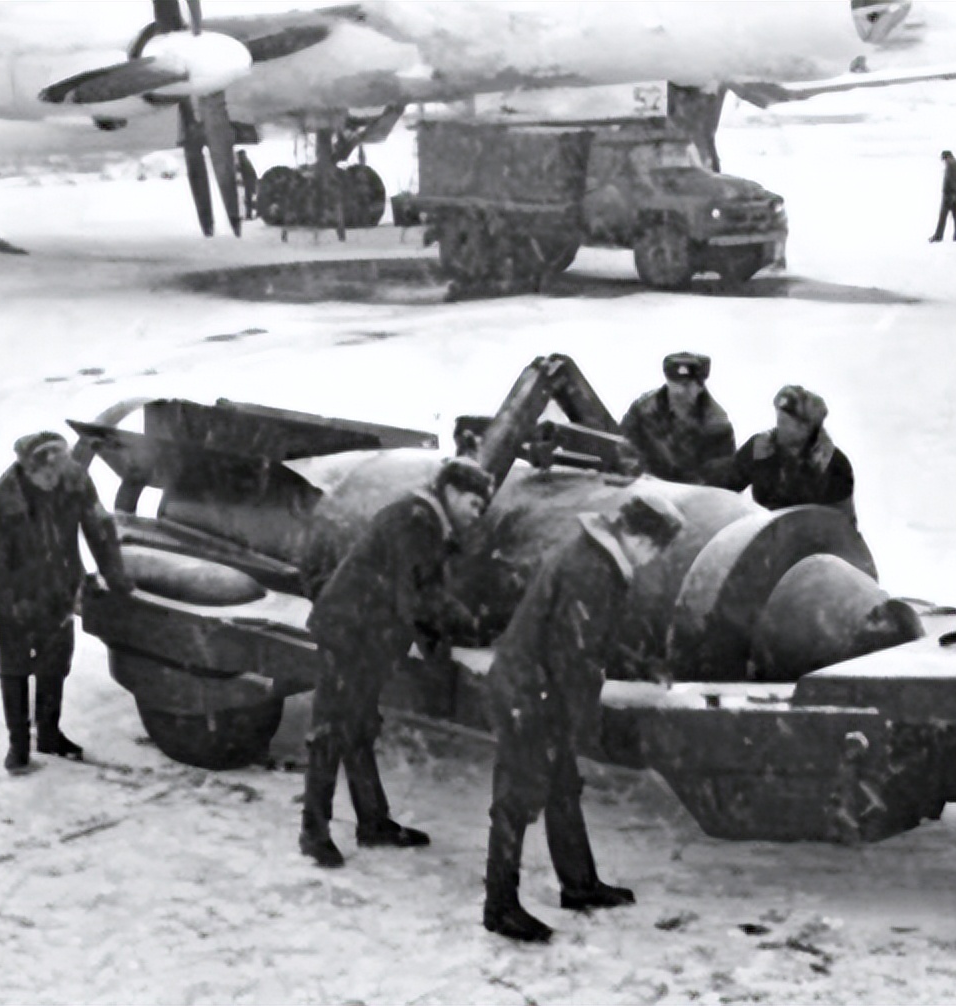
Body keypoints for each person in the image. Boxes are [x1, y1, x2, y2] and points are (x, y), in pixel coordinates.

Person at [482, 489, 685, 943]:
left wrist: (636, 664)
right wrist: (583, 721)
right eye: (653, 547)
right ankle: (500, 906)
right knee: (517, 801)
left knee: (562, 791)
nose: (651, 559)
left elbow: (593, 637)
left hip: (536, 689)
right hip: (530, 695)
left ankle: (579, 885)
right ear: (634, 535)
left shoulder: (598, 561)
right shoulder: (591, 569)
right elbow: (575, 656)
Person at [300, 457, 494, 868]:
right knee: (331, 733)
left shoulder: (423, 519)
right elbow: (416, 596)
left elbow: (421, 589)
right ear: (454, 493)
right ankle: (313, 832)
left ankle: (372, 823)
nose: (475, 515)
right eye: (474, 504)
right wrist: (458, 630)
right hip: (350, 633)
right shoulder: (416, 521)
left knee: (357, 729)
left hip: (366, 636)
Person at [0, 431, 134, 774]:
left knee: (55, 664)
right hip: (16, 595)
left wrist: (115, 578)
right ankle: (18, 746)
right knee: (15, 668)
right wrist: (8, 608)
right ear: (27, 471)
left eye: (56, 473)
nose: (51, 480)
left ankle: (48, 733)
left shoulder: (74, 481)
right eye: (44, 475)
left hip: (61, 588)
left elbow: (99, 529)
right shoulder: (2, 501)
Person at [721, 385, 856, 522]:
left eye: (788, 421)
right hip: (764, 531)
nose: (780, 423)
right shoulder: (759, 448)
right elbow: (725, 490)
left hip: (812, 536)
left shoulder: (833, 465)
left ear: (807, 428)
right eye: (779, 417)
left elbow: (843, 524)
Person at [619, 352, 737, 486]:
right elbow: (623, 445)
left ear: (700, 386)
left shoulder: (717, 424)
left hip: (689, 496)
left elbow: (718, 477)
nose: (679, 391)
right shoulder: (643, 408)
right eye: (675, 383)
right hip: (643, 487)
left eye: (686, 385)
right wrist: (637, 476)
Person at [928, 150, 956, 243]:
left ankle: (948, 237)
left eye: (945, 159)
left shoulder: (954, 166)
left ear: (949, 157)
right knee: (953, 217)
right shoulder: (954, 166)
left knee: (951, 217)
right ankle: (952, 237)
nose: (944, 162)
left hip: (951, 197)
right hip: (951, 196)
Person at [236, 150, 258, 220]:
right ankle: (250, 214)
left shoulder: (243, 162)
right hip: (250, 182)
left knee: (248, 199)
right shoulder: (246, 161)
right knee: (249, 199)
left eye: (238, 156)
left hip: (249, 183)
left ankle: (249, 215)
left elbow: (238, 170)